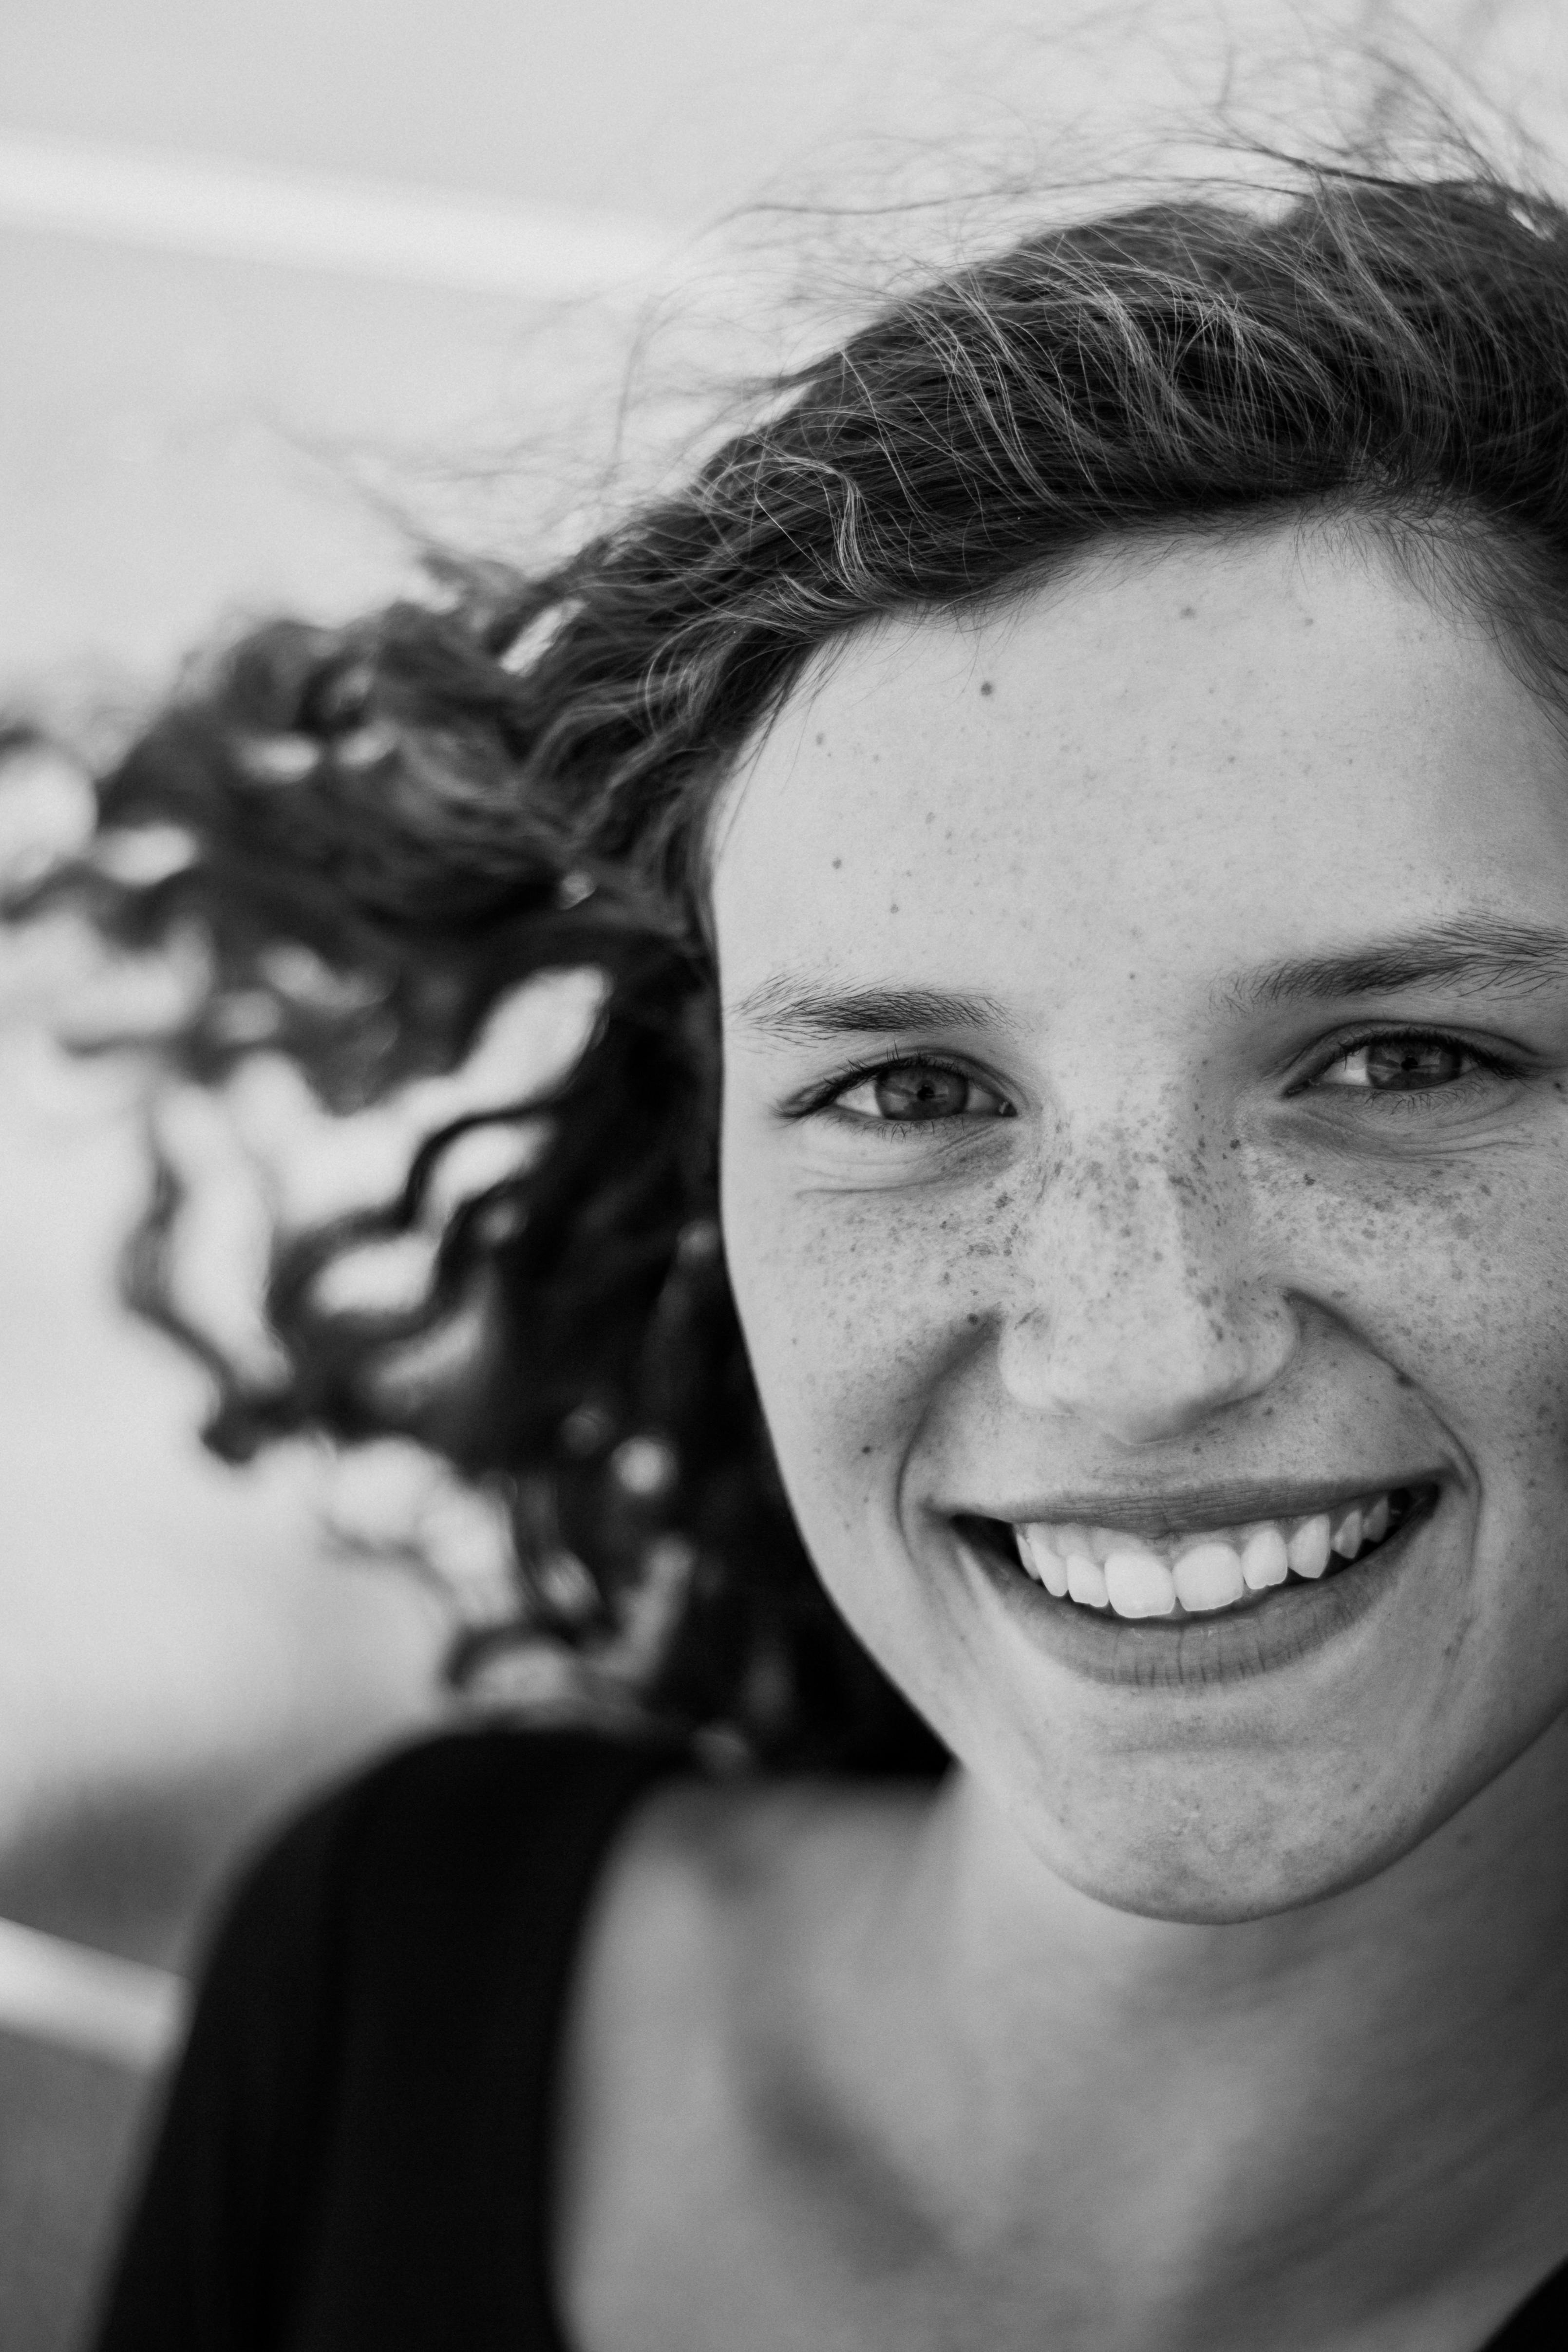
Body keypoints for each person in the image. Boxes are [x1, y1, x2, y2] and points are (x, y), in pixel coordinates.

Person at [44, 144, 1568, 2348]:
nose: (1135, 1354)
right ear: (709, 1173)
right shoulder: (413, 1955)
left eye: (1403, 1057)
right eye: (914, 1094)